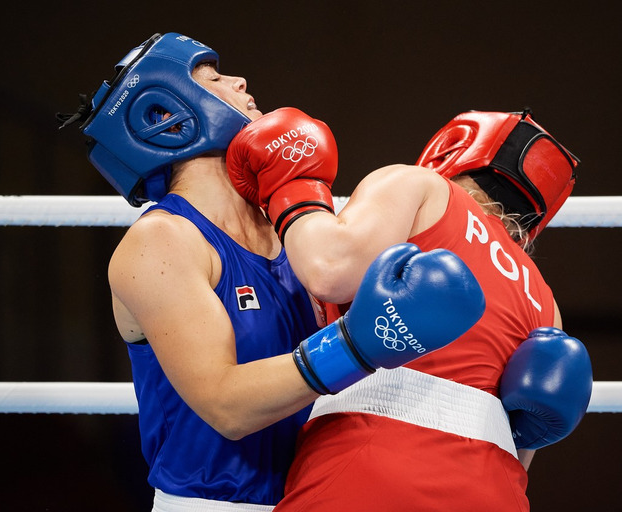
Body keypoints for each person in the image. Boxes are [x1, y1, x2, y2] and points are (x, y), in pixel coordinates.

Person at [57, 32, 487, 511]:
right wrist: (359, 344)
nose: (241, 81)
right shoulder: (161, 242)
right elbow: (226, 405)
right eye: (215, 78)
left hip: (320, 497)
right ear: (161, 116)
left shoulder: (297, 236)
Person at [226, 108, 594, 510]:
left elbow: (329, 270)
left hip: (367, 466)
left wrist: (291, 184)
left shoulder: (422, 187)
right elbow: (523, 444)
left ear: (450, 148)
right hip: (495, 490)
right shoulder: (543, 298)